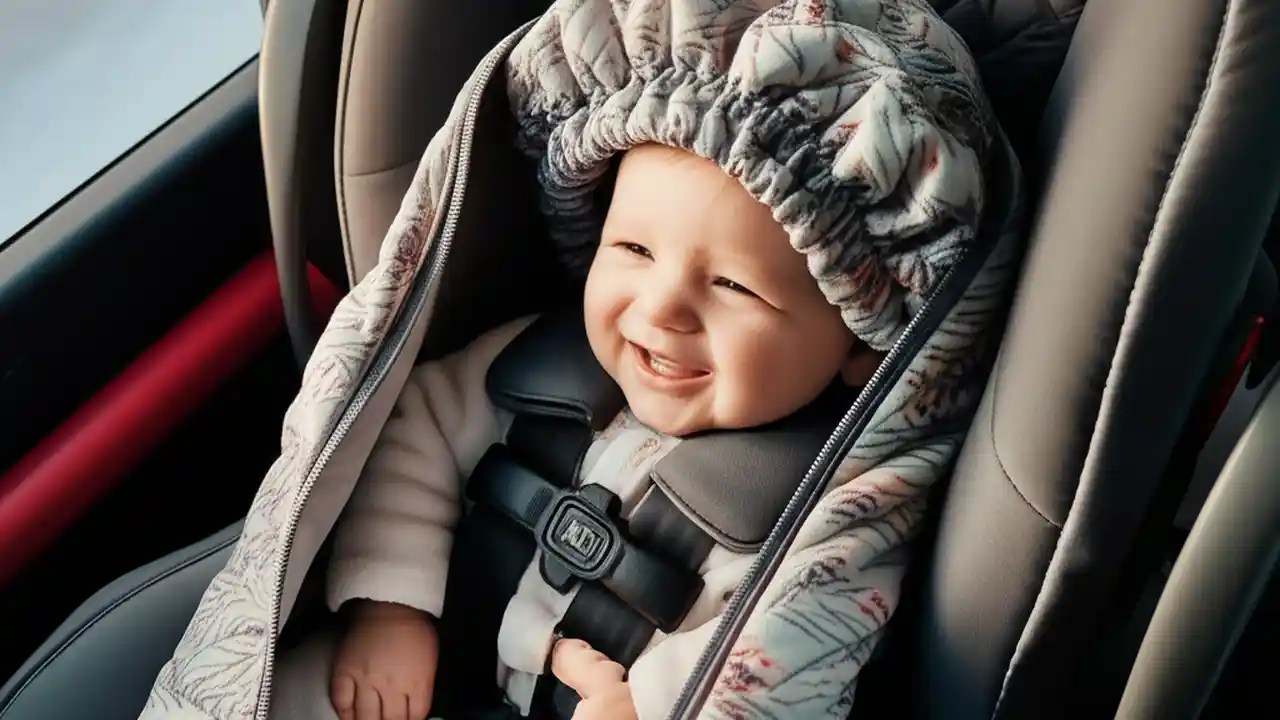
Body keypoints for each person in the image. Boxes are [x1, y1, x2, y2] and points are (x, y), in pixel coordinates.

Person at [264, 2, 995, 719]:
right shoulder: (528, 367)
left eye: (734, 286)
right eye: (635, 251)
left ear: (861, 343)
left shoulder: (821, 520)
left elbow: (780, 666)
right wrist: (392, 605)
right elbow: (412, 434)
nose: (663, 308)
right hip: (417, 665)